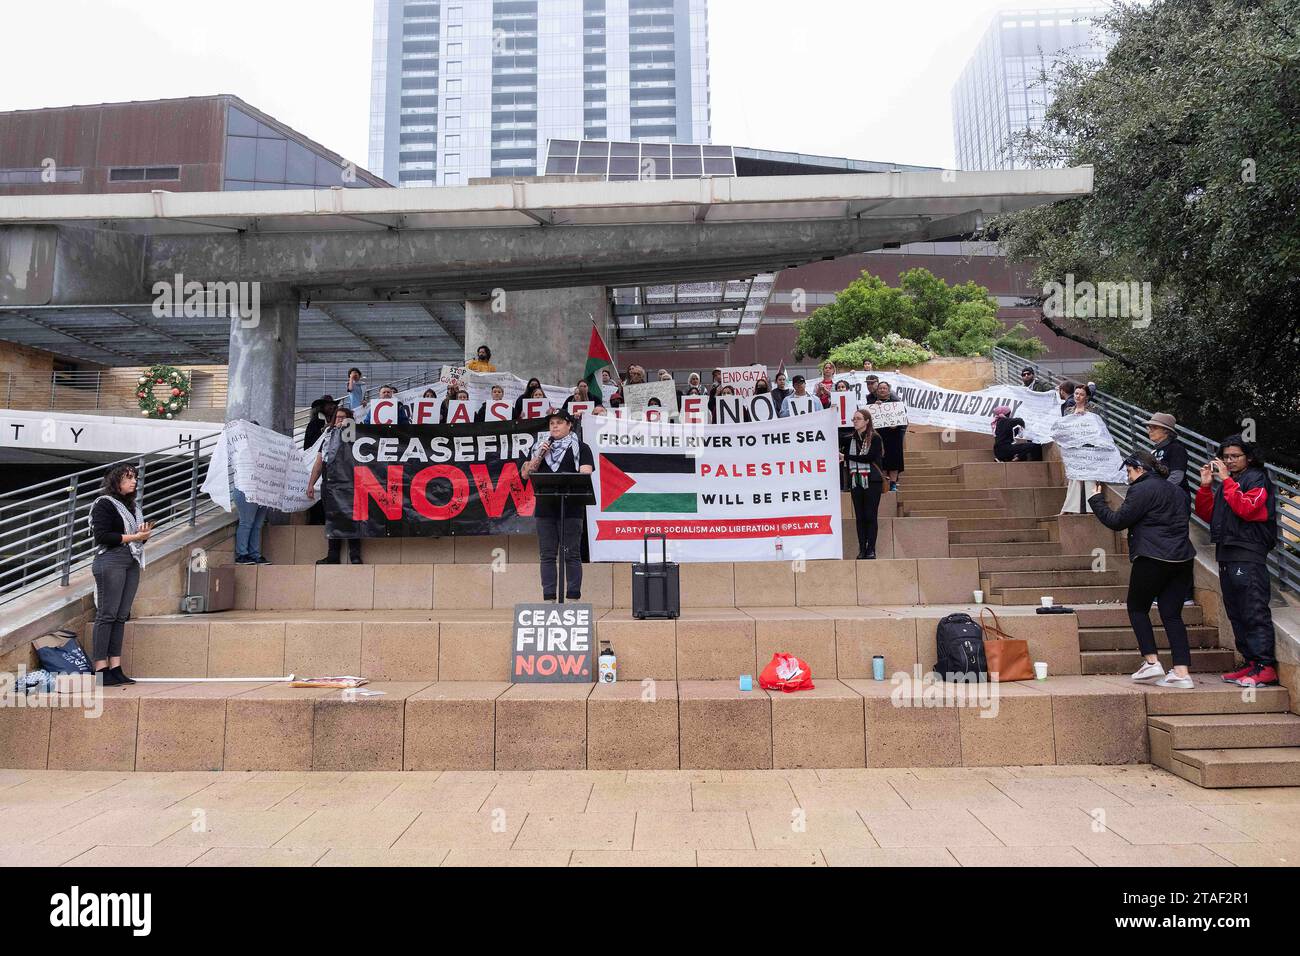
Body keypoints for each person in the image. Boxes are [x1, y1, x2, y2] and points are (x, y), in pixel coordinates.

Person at [1088, 451, 1197, 688]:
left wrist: (1097, 499)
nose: (1128, 477)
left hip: (1152, 557)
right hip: (1182, 559)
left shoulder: (1142, 489)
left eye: (1128, 471)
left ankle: (1151, 662)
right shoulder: (1177, 491)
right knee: (1172, 614)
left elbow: (1117, 521)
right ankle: (1181, 672)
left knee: (1137, 607)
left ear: (1140, 469)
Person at [1195, 436, 1280, 688]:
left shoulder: (1257, 478)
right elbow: (1208, 514)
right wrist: (1205, 486)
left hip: (1248, 551)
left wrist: (1227, 481)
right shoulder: (1228, 483)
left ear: (1249, 457)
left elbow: (1247, 509)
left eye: (1235, 456)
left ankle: (1265, 667)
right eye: (1225, 457)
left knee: (1253, 608)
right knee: (1236, 611)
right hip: (1227, 551)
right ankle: (1251, 664)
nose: (1229, 461)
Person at [89, 464, 153, 686]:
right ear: (116, 481)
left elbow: (137, 538)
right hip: (110, 560)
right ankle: (100, 668)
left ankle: (115, 666)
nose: (134, 481)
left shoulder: (133, 507)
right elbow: (103, 536)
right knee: (106, 615)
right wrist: (135, 537)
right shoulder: (103, 504)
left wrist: (143, 535)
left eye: (134, 477)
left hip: (131, 561)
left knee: (120, 615)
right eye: (128, 478)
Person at [520, 411, 594, 601]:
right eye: (551, 423)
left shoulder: (581, 447)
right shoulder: (539, 447)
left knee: (571, 552)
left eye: (559, 422)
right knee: (547, 554)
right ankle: (549, 598)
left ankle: (573, 598)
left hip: (571, 507)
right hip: (546, 507)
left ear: (569, 425)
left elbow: (585, 473)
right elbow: (526, 474)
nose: (554, 426)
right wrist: (539, 456)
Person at [307, 406, 361, 565]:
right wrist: (311, 484)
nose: (340, 420)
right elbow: (319, 463)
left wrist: (345, 431)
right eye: (338, 417)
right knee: (332, 518)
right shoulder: (327, 437)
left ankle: (355, 554)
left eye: (344, 417)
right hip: (329, 483)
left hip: (348, 483)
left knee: (352, 517)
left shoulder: (355, 435)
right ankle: (333, 555)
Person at [841, 409, 885, 559]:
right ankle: (862, 549)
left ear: (867, 421)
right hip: (856, 480)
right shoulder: (850, 439)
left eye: (858, 418)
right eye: (853, 419)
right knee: (860, 517)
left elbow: (868, 457)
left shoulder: (875, 437)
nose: (855, 421)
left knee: (870, 516)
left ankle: (871, 548)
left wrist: (846, 456)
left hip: (872, 480)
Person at [1059, 383, 1100, 513]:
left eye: (1081, 394)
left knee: (1089, 477)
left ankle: (1092, 508)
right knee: (1074, 477)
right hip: (1073, 447)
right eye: (1076, 393)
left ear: (1086, 396)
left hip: (1089, 447)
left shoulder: (1093, 409)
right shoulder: (1068, 410)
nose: (1078, 396)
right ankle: (1070, 507)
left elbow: (1098, 428)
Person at [874, 380, 907, 491]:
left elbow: (904, 419)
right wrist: (875, 407)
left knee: (894, 459)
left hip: (894, 435)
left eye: (885, 388)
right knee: (882, 459)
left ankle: (892, 483)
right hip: (879, 435)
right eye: (880, 388)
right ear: (877, 391)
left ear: (889, 390)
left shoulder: (896, 403)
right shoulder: (872, 403)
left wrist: (896, 426)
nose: (882, 390)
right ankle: (884, 482)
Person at [1145, 413, 1188, 489]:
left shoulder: (1176, 449)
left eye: (1154, 427)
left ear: (1166, 431)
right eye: (1149, 427)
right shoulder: (1155, 451)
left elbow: (1176, 477)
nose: (1150, 431)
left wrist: (1159, 491)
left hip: (1174, 497)